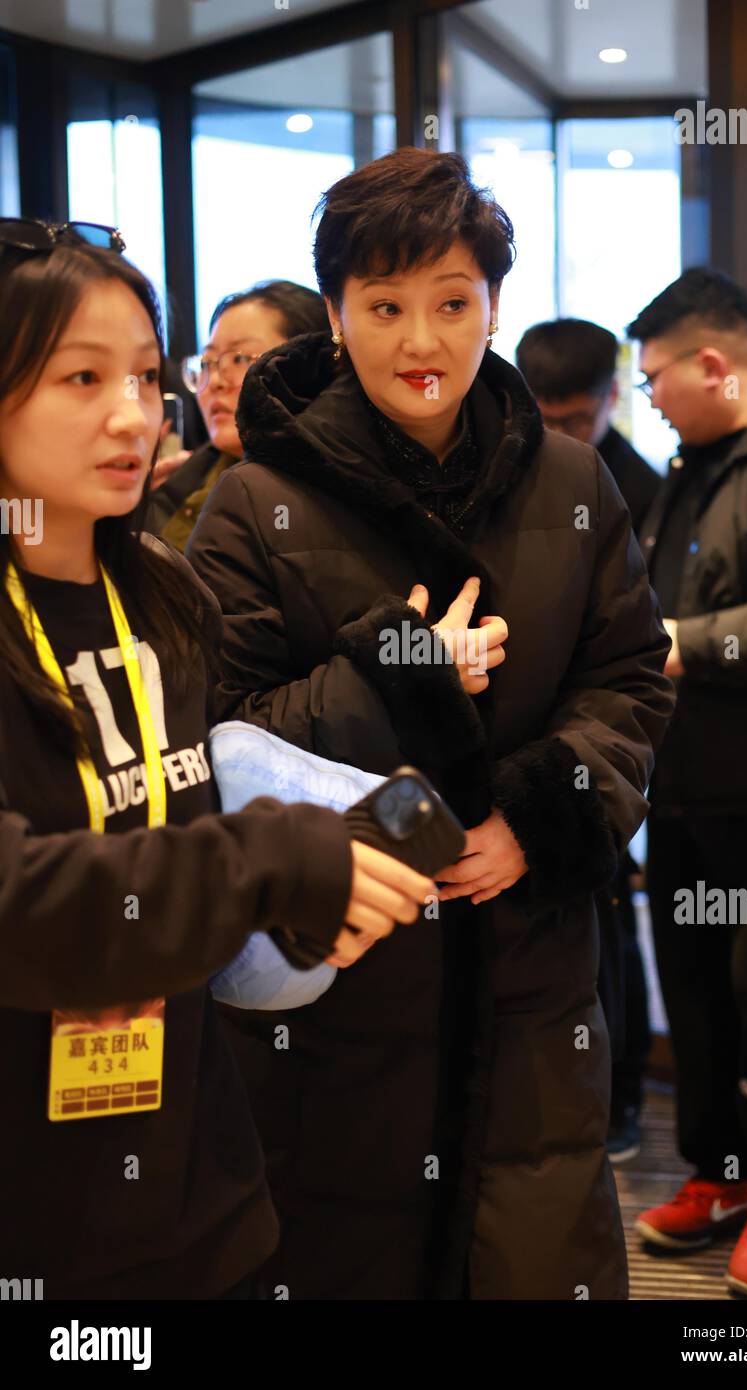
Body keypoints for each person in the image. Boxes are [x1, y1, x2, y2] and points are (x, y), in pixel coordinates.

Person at [187, 148, 675, 1300]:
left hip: (528, 974)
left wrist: (534, 815)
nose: (422, 342)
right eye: (385, 306)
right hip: (344, 975)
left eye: (453, 303)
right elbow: (217, 733)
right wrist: (402, 671)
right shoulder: (253, 501)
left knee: (530, 1249)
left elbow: (630, 682)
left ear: (491, 304)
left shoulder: (570, 478)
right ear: (339, 316)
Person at [0, 220, 433, 1299]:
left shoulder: (163, 593)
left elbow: (181, 841)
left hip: (199, 1181)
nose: (132, 416)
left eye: (147, 377)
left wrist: (307, 881)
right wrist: (268, 857)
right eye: (81, 377)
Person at [625, 268, 747, 1298]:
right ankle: (718, 1173)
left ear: (710, 364)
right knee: (691, 995)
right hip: (679, 780)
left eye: (653, 379)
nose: (646, 397)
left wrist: (684, 642)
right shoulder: (688, 458)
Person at [517, 316, 661, 1162]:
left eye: (578, 418)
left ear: (612, 398)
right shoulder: (522, 476)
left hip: (610, 749)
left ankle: (627, 1098)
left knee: (613, 925)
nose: (564, 434)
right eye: (548, 415)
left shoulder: (637, 484)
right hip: (537, 747)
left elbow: (640, 656)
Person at [147, 280, 328, 549]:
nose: (215, 381)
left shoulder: (331, 499)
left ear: (310, 364)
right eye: (207, 363)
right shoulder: (174, 487)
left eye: (240, 359)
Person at [516, 317, 660, 531]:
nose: (558, 436)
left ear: (612, 394)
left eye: (574, 422)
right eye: (543, 420)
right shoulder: (503, 465)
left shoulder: (640, 493)